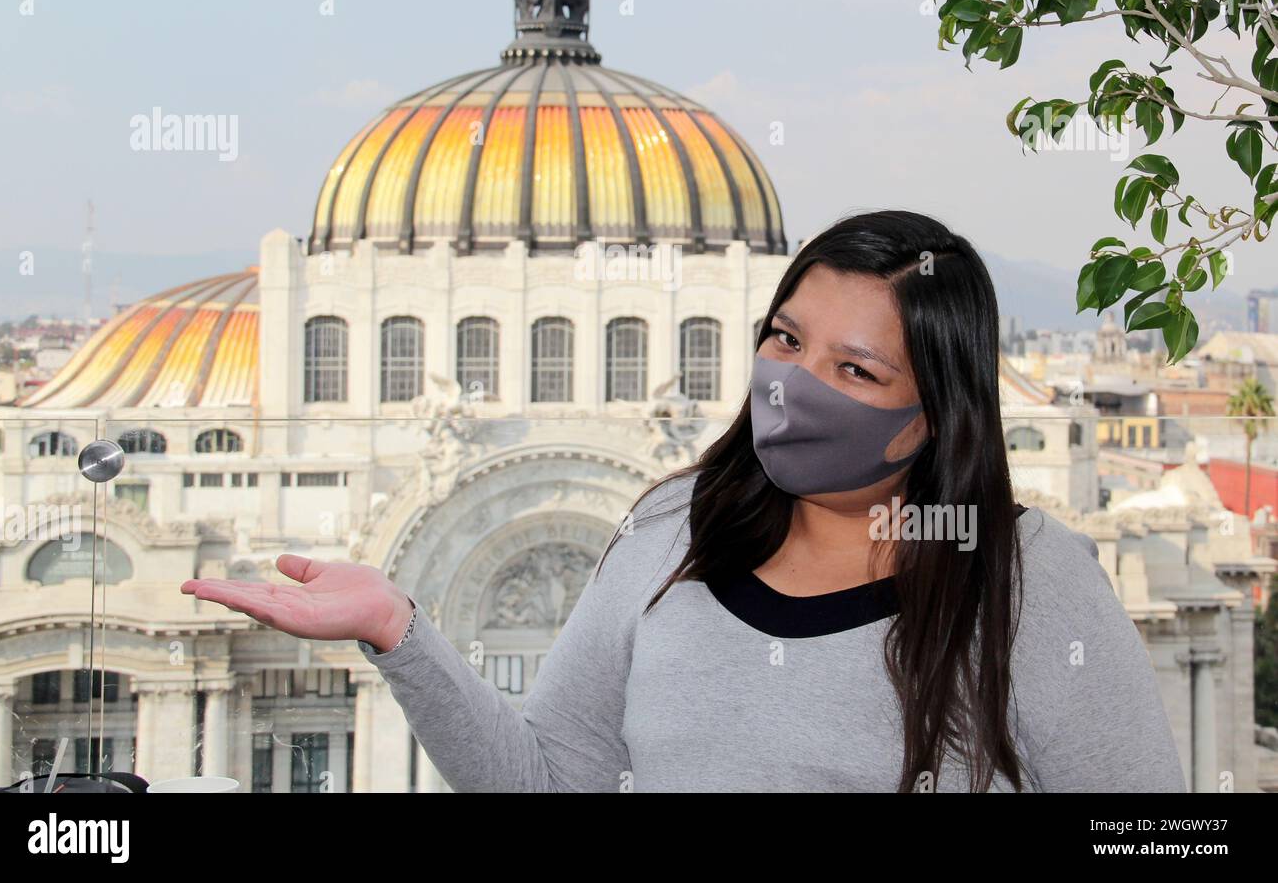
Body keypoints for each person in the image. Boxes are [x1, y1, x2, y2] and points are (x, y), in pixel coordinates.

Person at [181, 209, 1187, 792]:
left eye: (854, 368)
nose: (796, 384)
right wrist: (397, 628)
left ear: (929, 414)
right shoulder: (669, 529)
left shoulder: (1020, 573)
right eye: (785, 341)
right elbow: (548, 778)